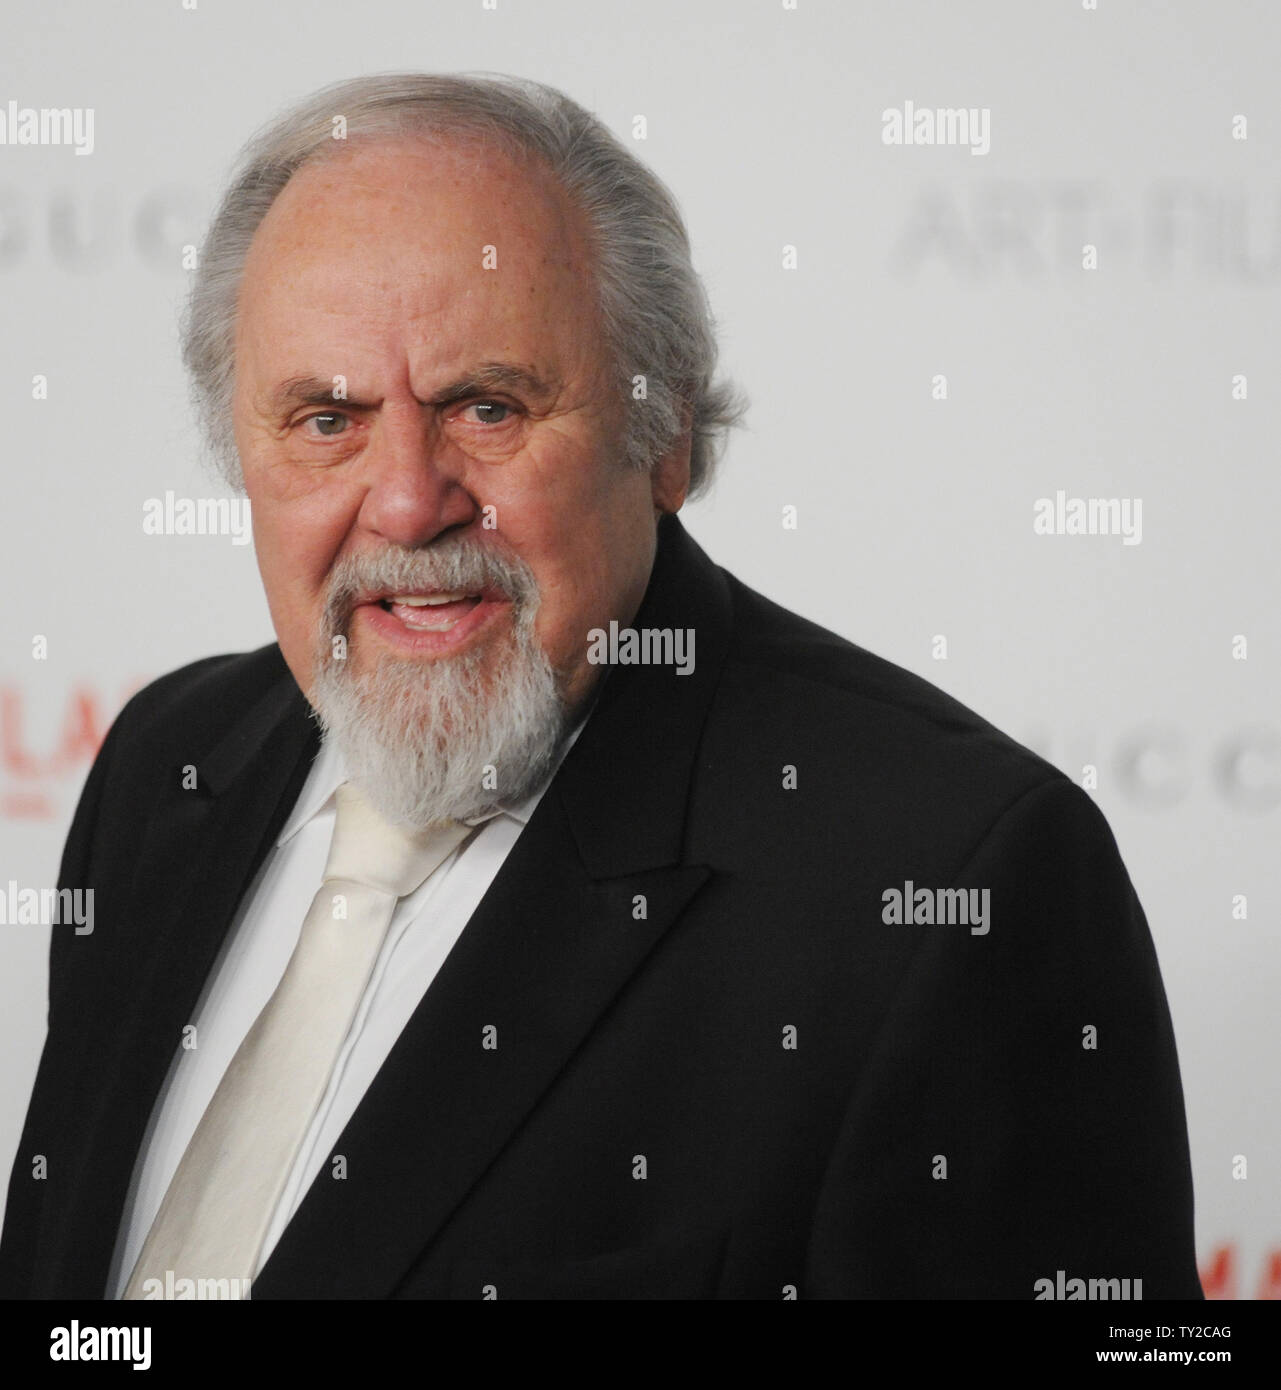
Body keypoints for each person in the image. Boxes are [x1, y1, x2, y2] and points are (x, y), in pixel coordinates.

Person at [0, 72, 1202, 1300]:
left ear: (665, 433)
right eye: (326, 419)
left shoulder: (951, 879)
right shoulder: (169, 763)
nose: (410, 501)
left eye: (487, 406)